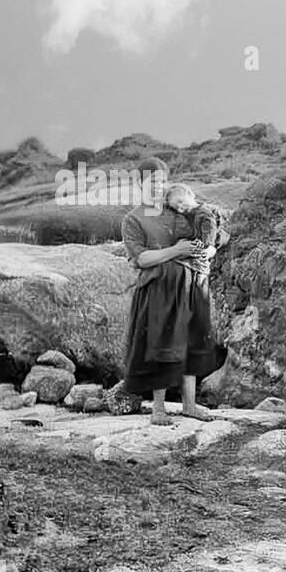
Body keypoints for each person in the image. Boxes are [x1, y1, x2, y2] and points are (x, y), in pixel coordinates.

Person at [118, 160, 217, 425]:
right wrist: (175, 251)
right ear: (139, 184)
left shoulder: (178, 208)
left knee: (192, 341)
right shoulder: (134, 219)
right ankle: (158, 409)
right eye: (153, 183)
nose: (159, 187)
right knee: (162, 346)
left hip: (192, 287)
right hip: (158, 290)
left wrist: (210, 249)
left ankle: (190, 405)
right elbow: (142, 259)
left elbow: (210, 232)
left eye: (162, 182)